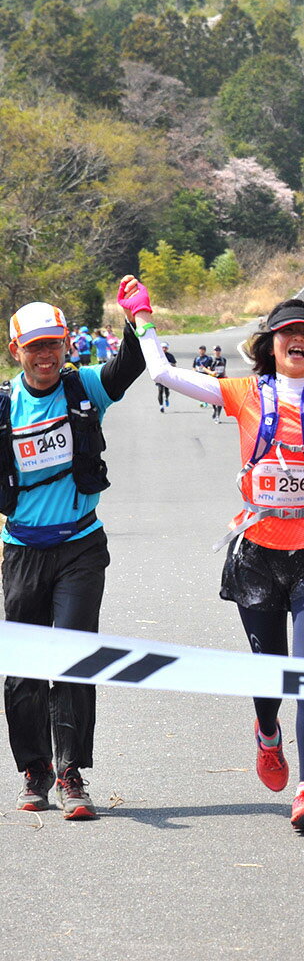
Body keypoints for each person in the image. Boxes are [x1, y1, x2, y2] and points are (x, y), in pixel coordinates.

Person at [125, 280, 304, 832]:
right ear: (269, 343)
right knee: (270, 676)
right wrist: (144, 320)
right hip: (258, 556)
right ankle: (267, 731)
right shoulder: (244, 393)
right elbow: (165, 375)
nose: (298, 340)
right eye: (288, 332)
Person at [3, 292, 144, 820]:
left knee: (73, 656)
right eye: (35, 347)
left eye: (54, 345)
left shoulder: (83, 386)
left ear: (67, 344)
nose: (46, 356)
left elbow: (129, 366)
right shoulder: (4, 406)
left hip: (81, 546)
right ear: (16, 348)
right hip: (22, 551)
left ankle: (70, 772)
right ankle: (33, 769)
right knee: (23, 667)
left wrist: (135, 316)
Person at [156, 341, 177, 412]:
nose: (164, 349)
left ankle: (166, 398)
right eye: (163, 348)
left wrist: (169, 364)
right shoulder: (158, 355)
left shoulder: (170, 356)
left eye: (165, 348)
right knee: (160, 391)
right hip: (160, 375)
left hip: (168, 376)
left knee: (166, 391)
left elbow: (174, 365)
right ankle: (161, 406)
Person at [208, 344, 227, 423]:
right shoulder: (210, 359)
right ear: (213, 351)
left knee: (220, 399)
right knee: (213, 398)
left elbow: (224, 369)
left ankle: (217, 416)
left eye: (218, 351)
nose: (217, 352)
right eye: (216, 350)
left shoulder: (224, 360)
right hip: (213, 380)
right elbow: (208, 369)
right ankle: (214, 409)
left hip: (221, 380)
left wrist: (225, 376)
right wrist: (211, 373)